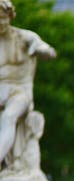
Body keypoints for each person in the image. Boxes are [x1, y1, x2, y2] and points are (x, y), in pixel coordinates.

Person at [0, 0, 56, 169]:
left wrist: (40, 49)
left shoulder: (24, 37)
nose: (0, 23)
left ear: (10, 17)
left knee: (9, 116)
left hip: (19, 91)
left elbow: (49, 51)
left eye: (2, 18)